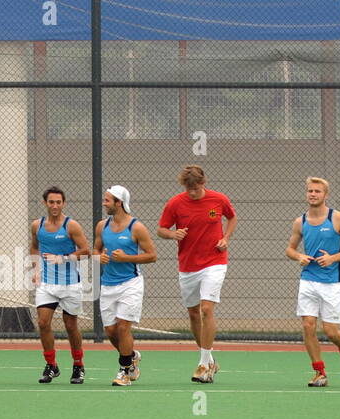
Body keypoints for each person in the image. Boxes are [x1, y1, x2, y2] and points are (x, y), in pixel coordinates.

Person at [157, 165, 237, 383]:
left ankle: (203, 365)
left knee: (206, 308)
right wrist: (173, 234)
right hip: (188, 266)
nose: (192, 192)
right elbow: (161, 229)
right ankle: (210, 359)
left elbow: (232, 218)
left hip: (215, 262)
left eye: (196, 187)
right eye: (188, 188)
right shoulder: (175, 203)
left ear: (203, 183)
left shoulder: (218, 200)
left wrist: (226, 238)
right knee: (193, 313)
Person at [286, 177, 340, 387]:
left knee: (330, 331)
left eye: (317, 191)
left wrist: (333, 258)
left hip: (332, 282)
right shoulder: (300, 221)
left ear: (325, 195)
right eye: (310, 191)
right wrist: (298, 256)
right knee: (308, 325)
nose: (312, 194)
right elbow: (290, 249)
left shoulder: (337, 218)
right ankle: (320, 372)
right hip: (308, 281)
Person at [96, 185, 156, 387]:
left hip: (131, 283)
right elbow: (95, 250)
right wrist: (99, 257)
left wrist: (126, 258)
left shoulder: (136, 227)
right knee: (111, 332)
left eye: (107, 200)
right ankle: (131, 356)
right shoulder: (101, 226)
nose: (104, 203)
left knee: (123, 328)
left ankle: (124, 372)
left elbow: (152, 255)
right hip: (107, 285)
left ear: (118, 203)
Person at [31, 186, 90, 384]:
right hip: (47, 284)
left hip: (70, 284)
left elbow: (85, 250)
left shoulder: (71, 226)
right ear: (45, 203)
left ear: (63, 203)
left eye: (58, 202)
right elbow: (34, 247)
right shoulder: (37, 225)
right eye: (51, 202)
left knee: (71, 325)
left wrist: (63, 258)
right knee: (43, 323)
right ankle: (51, 365)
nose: (54, 206)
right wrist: (36, 269)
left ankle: (78, 365)